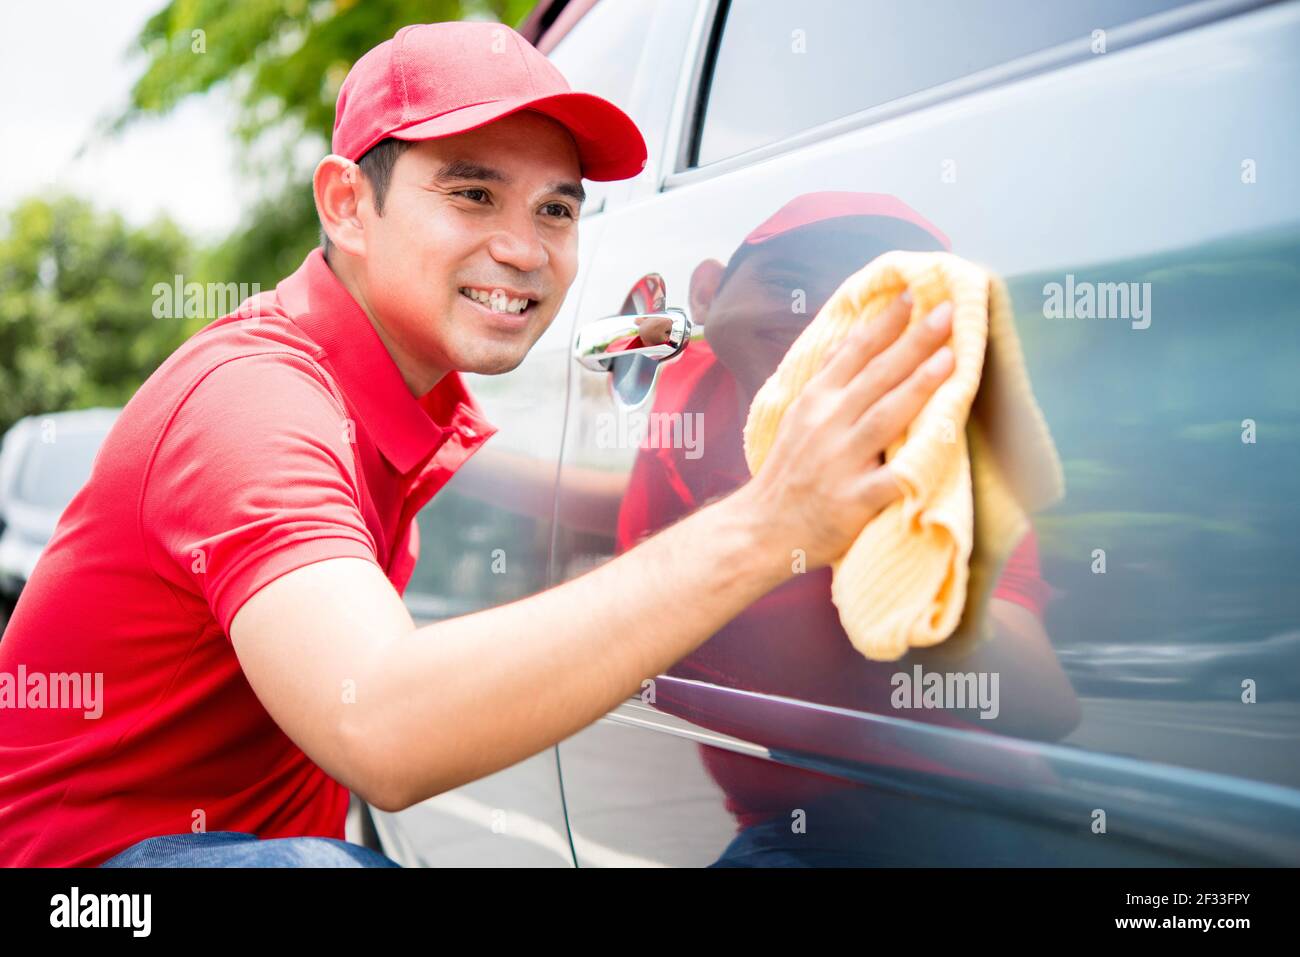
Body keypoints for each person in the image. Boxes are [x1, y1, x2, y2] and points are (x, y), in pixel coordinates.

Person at [0, 21, 955, 868]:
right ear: (345, 203)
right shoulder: (255, 402)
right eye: (472, 194)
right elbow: (384, 725)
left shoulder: (387, 396)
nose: (527, 249)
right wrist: (767, 520)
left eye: (557, 208)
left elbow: (558, 498)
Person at [608, 192, 1082, 865]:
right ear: (709, 293)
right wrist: (473, 466)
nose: (816, 316)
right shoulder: (688, 396)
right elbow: (646, 510)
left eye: (866, 304)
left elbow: (1047, 704)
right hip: (788, 821)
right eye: (790, 282)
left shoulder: (935, 456)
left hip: (958, 809)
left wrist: (879, 529)